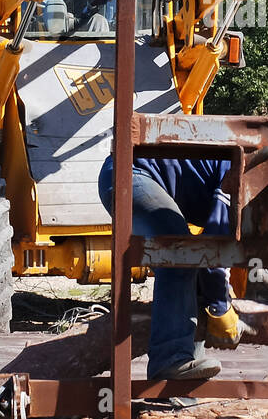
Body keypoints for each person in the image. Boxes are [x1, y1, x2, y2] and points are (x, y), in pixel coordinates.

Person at [97, 153, 243, 381]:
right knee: (179, 251)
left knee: (189, 263)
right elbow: (215, 249)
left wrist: (216, 295)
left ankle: (179, 391)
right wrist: (220, 307)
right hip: (129, 173)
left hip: (147, 179)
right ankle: (169, 360)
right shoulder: (244, 174)